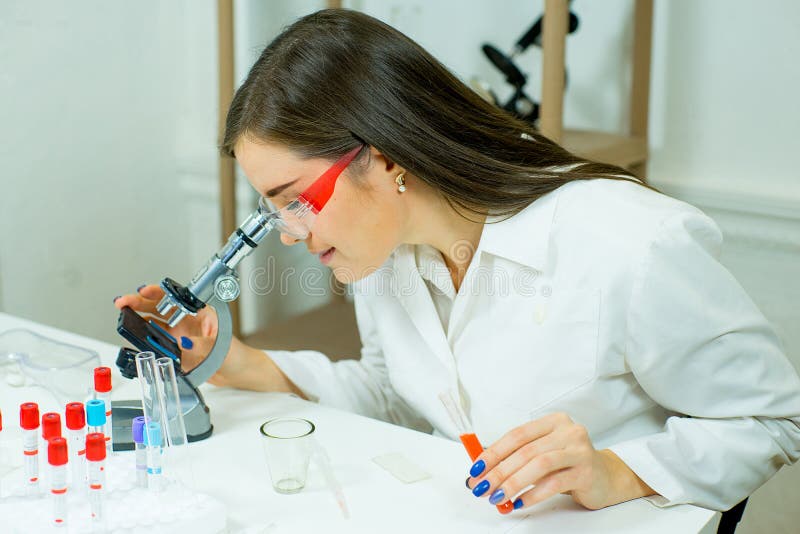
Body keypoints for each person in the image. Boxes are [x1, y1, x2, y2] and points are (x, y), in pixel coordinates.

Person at [114, 9, 800, 513]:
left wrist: (614, 471)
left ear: (382, 156)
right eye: (275, 214)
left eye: (295, 202)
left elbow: (774, 421)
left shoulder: (626, 243)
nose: (290, 235)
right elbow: (397, 397)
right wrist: (230, 361)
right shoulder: (386, 257)